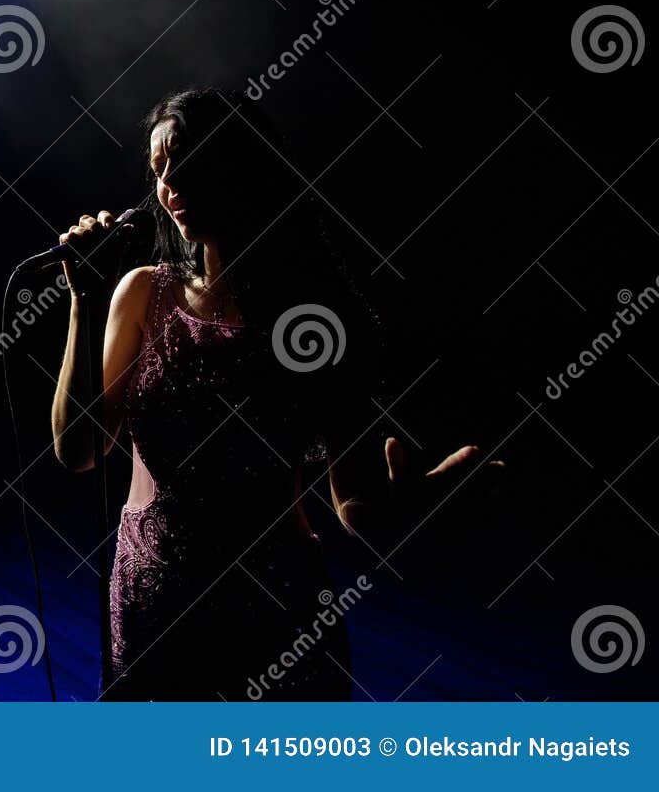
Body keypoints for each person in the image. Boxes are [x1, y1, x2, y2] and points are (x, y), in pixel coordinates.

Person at [49, 87, 488, 699]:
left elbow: (353, 497)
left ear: (241, 163)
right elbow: (78, 450)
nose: (168, 183)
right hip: (154, 610)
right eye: (157, 169)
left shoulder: (326, 318)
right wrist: (84, 301)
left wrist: (418, 508)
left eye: (186, 157)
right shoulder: (142, 294)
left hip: (277, 613)